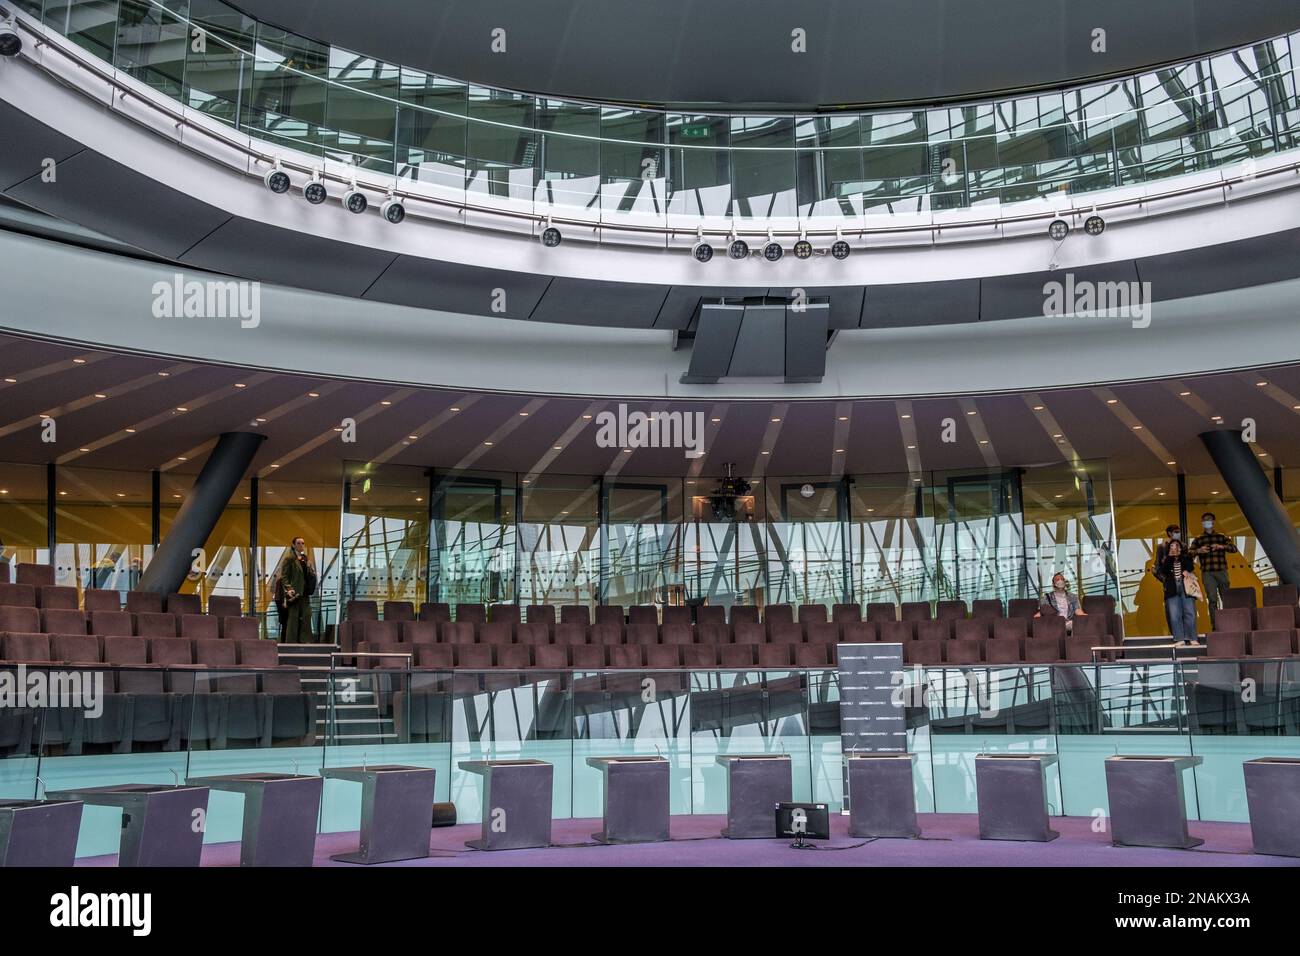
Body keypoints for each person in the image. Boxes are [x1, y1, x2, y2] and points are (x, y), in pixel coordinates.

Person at [1189, 512, 1236, 628]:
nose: (1206, 522)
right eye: (1204, 520)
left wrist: (1221, 546)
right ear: (1202, 523)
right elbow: (1189, 554)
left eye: (1209, 519)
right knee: (1212, 598)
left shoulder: (1221, 537)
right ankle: (1215, 625)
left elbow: (1234, 548)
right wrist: (1199, 551)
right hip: (1207, 572)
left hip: (1221, 570)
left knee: (1226, 597)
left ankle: (1229, 623)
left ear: (1213, 522)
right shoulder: (1198, 539)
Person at [275, 537, 316, 643]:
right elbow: (284, 576)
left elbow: (307, 575)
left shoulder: (305, 558)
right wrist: (289, 588)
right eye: (298, 543)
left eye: (303, 543)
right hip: (295, 593)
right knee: (293, 618)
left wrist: (310, 569)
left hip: (305, 592)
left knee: (306, 616)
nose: (301, 545)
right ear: (293, 545)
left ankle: (305, 641)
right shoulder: (289, 558)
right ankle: (291, 642)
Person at [1158, 538, 1199, 644]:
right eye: (1172, 546)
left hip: (1186, 587)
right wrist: (1170, 557)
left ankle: (1192, 637)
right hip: (1172, 588)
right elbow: (1164, 571)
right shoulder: (1167, 559)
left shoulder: (1186, 557)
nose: (1174, 548)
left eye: (1177, 546)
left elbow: (1190, 567)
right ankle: (1179, 638)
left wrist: (1181, 556)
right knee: (1174, 614)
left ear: (1180, 547)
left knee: (1190, 612)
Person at [1152, 523, 1181, 632]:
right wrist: (1165, 580)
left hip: (1182, 581)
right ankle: (1175, 634)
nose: (1178, 534)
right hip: (1170, 582)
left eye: (1179, 532)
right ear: (1170, 533)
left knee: (1185, 608)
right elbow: (1156, 568)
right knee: (1171, 609)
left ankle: (1185, 634)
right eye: (1176, 532)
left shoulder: (1182, 545)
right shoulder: (1162, 547)